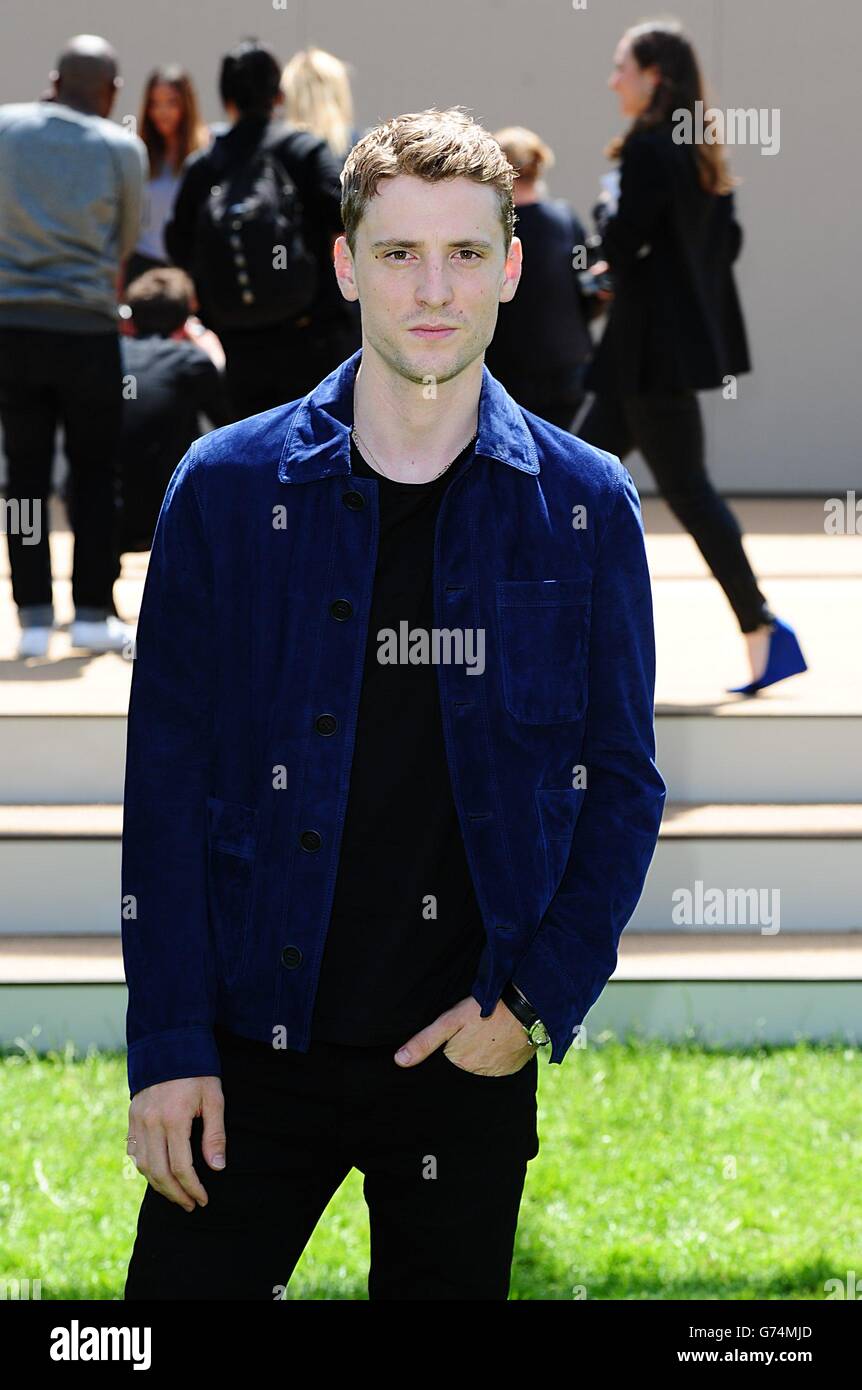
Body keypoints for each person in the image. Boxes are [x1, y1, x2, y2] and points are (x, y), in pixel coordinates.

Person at [121, 106, 666, 1302]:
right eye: (398, 254)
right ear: (344, 265)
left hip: (461, 1060)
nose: (433, 288)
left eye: (466, 254)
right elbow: (163, 783)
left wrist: (530, 1007)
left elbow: (621, 782)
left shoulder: (583, 505)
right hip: (246, 1048)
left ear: (512, 268)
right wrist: (165, 1047)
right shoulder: (224, 489)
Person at [579, 19, 807, 695]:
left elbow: (623, 241)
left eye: (623, 65)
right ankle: (558, 634)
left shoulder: (650, 152)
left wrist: (606, 210)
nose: (613, 78)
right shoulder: (701, 158)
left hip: (647, 359)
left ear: (656, 75)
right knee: (573, 481)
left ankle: (762, 624)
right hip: (647, 359)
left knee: (673, 490)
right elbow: (720, 250)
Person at [0, 34, 146, 659]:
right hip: (87, 328)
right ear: (111, 92)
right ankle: (91, 610)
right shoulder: (121, 146)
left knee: (23, 476)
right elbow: (126, 236)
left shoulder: (6, 127)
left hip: (12, 327)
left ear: (53, 81)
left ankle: (32, 615)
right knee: (94, 471)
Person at [164, 39, 357, 421]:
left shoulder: (205, 165)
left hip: (236, 340)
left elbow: (178, 243)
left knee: (250, 450)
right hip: (310, 336)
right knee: (316, 447)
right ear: (279, 95)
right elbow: (347, 216)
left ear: (225, 99)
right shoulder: (303, 150)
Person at [485, 126, 596, 430]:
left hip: (505, 367)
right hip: (566, 363)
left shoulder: (490, 226)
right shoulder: (564, 218)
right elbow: (588, 286)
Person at [116, 267, 231, 554]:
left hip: (107, 509)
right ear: (185, 321)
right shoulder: (191, 360)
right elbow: (230, 427)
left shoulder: (109, 356)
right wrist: (214, 359)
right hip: (169, 510)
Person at [122, 66, 210, 290]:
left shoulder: (205, 152)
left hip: (188, 267)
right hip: (143, 266)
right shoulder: (139, 152)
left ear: (186, 105)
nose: (162, 112)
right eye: (154, 103)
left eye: (171, 103)